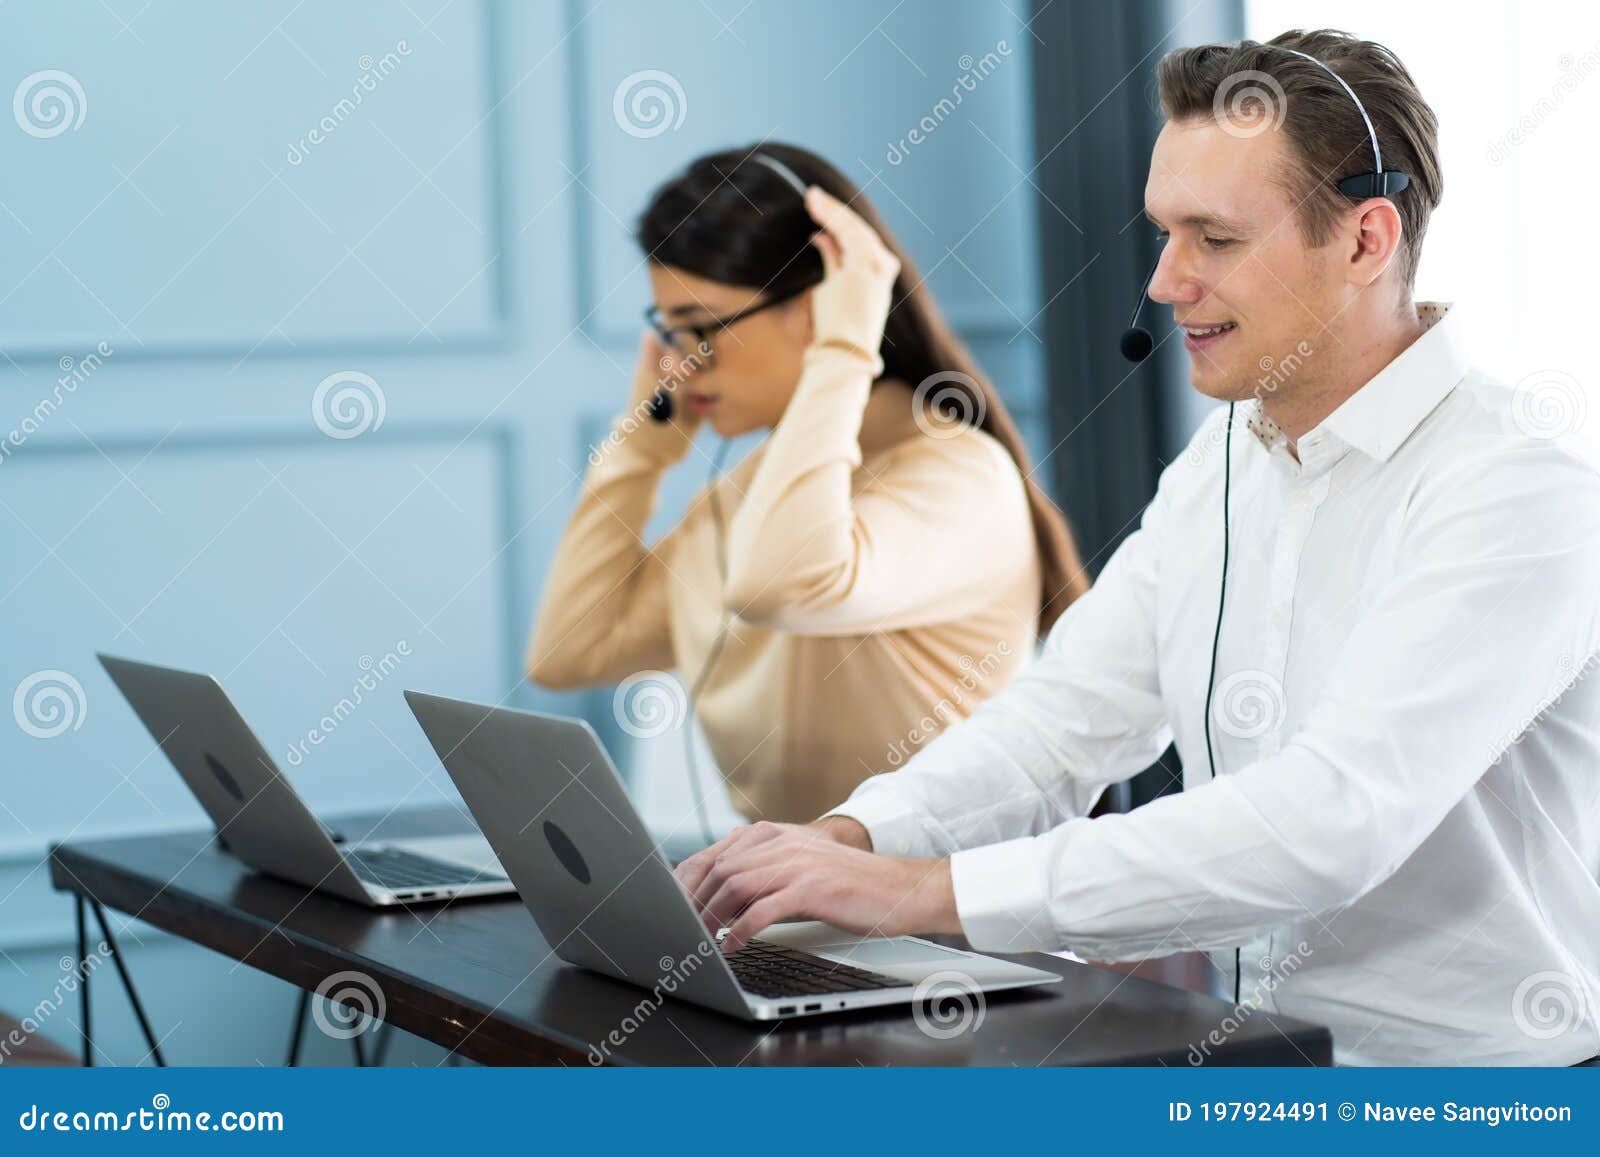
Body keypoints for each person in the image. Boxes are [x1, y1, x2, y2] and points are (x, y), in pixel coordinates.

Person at [677, 30, 1600, 1066]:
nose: (1163, 282)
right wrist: (856, 837)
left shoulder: (1515, 484)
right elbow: (1064, 720)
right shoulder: (1224, 463)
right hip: (1267, 1058)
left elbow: (1334, 817)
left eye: (1213, 238)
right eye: (1164, 234)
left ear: (1364, 241)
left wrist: (926, 893)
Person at [526, 144, 1088, 826]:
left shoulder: (959, 477)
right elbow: (568, 651)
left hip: (934, 925)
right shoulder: (754, 492)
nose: (682, 361)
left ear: (824, 301)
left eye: (703, 328)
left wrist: (845, 345)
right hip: (788, 914)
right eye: (670, 331)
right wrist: (637, 451)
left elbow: (780, 584)